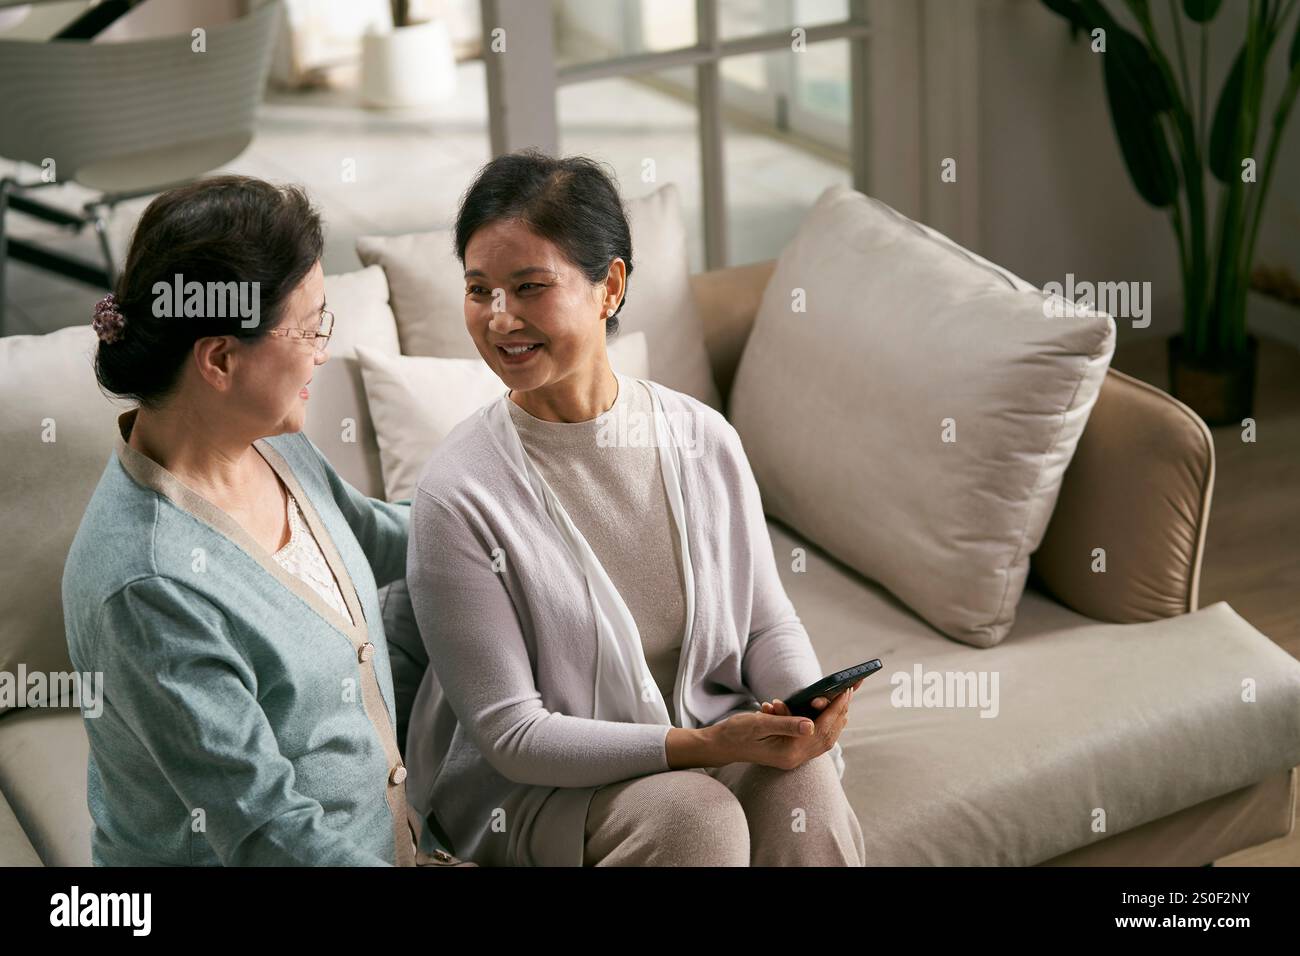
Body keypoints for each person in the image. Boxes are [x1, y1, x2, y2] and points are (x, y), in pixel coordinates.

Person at [404, 151, 866, 866]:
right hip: (531, 789)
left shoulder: (701, 438)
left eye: (529, 287)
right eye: (479, 289)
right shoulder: (457, 495)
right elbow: (513, 736)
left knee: (802, 785)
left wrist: (806, 707)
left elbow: (765, 621)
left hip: (701, 739)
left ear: (609, 287)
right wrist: (702, 748)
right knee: (696, 818)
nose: (500, 319)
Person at [63, 175, 428, 866]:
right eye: (309, 325)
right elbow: (268, 834)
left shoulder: (270, 440)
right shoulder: (148, 586)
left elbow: (379, 540)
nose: (323, 349)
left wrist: (511, 516)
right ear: (222, 359)